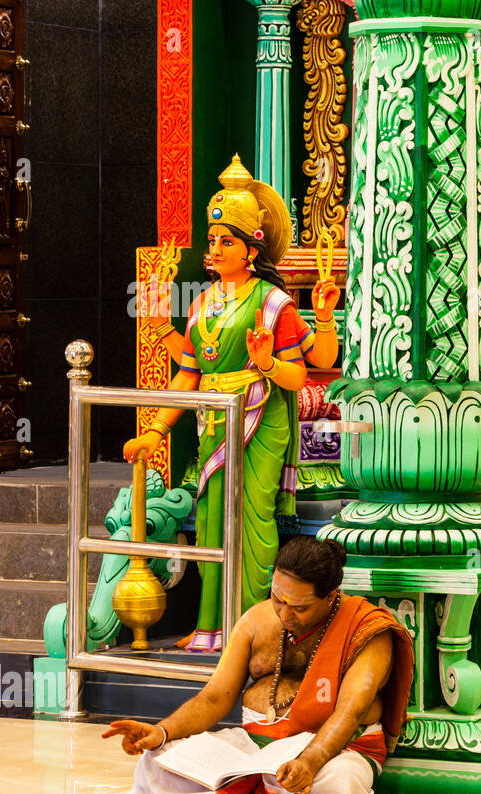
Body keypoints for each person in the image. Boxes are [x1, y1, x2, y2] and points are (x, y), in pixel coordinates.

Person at [124, 155, 341, 651]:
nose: (216, 249)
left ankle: (252, 631)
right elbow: (191, 371)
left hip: (261, 421)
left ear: (251, 249)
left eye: (228, 241)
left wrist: (266, 362)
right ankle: (210, 629)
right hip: (215, 421)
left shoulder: (271, 302)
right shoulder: (204, 302)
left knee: (253, 525)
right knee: (209, 522)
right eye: (214, 239)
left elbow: (303, 371)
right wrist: (156, 429)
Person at [105, 537, 415, 794]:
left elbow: (351, 711)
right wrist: (161, 731)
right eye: (278, 599)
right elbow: (215, 698)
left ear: (330, 596)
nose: (285, 614)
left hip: (334, 749)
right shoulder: (257, 620)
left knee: (339, 784)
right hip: (255, 746)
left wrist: (309, 762)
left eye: (300, 607)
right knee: (158, 763)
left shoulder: (368, 630)